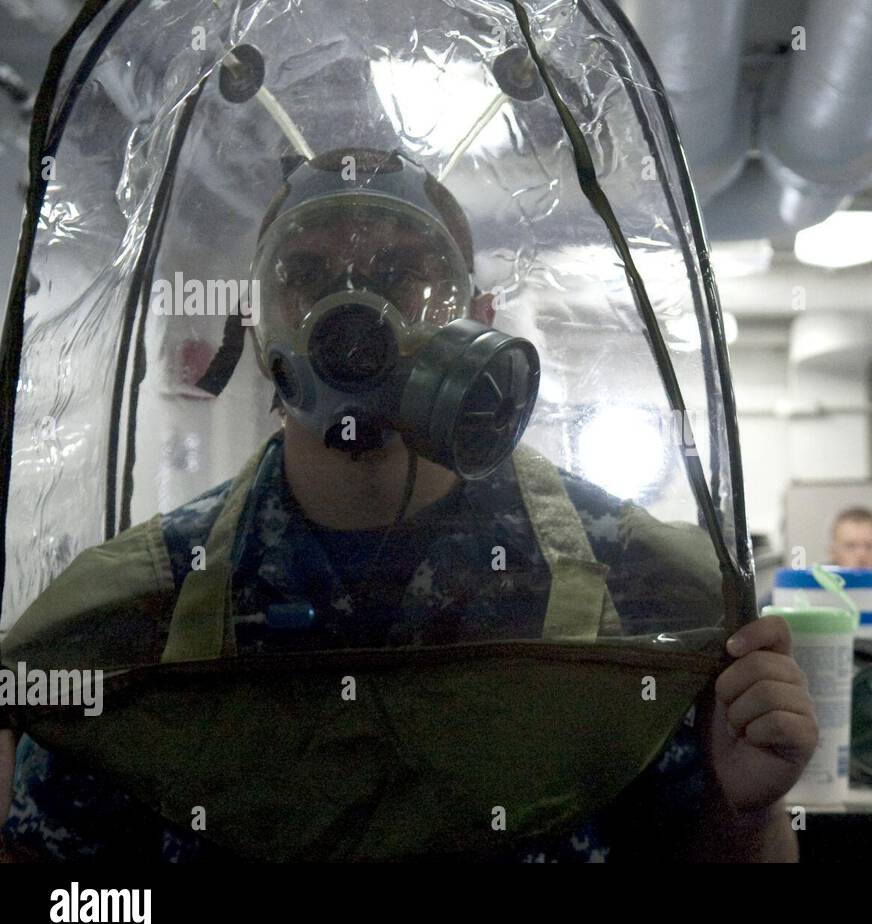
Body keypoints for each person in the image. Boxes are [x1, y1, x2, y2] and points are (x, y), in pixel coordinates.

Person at [0, 149, 816, 862]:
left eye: (398, 274)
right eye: (308, 275)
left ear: (477, 319)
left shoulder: (637, 590)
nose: (352, 312)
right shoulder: (149, 603)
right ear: (254, 330)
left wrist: (746, 811)